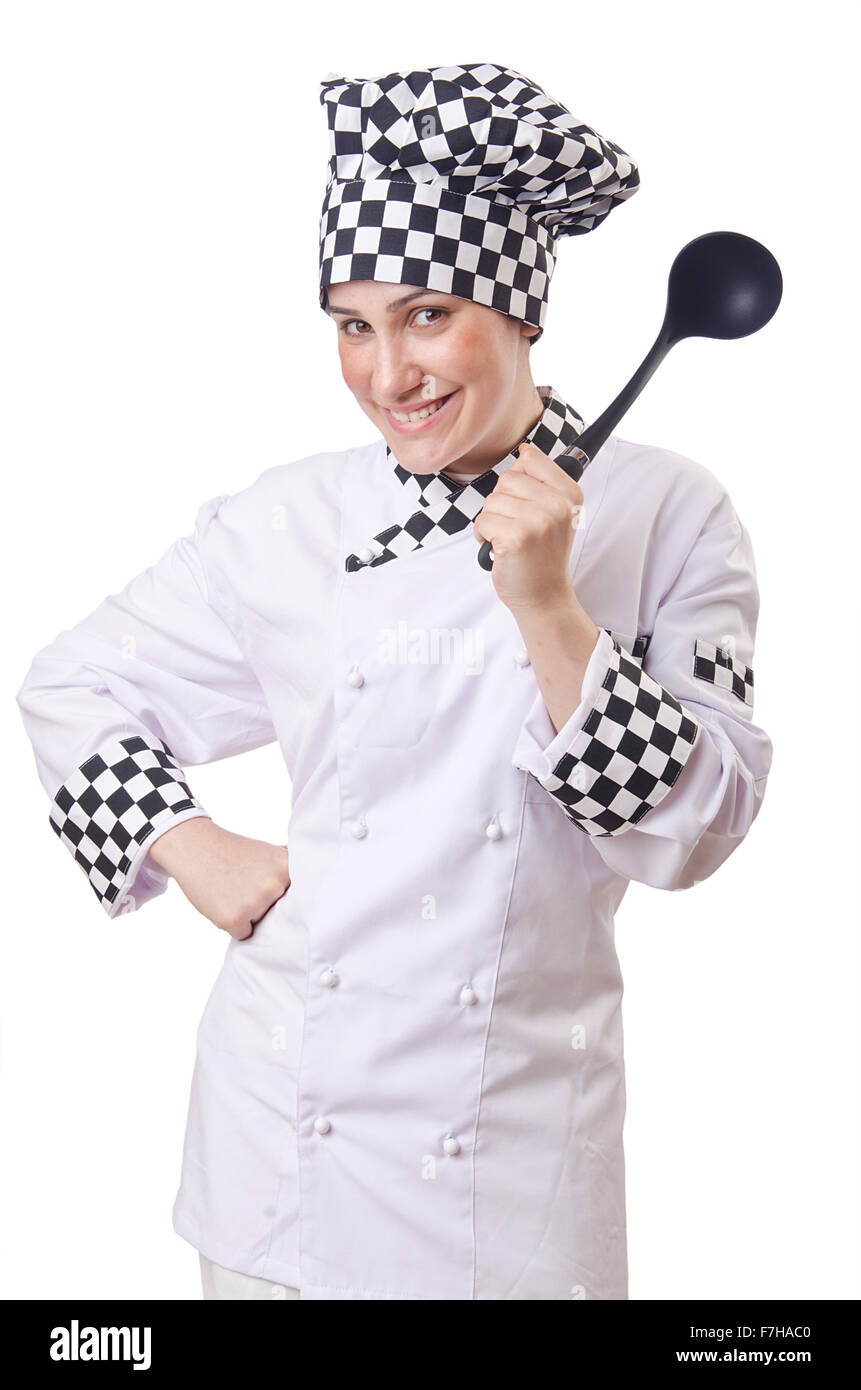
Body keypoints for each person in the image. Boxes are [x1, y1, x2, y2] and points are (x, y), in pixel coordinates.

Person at [15, 62, 773, 1301]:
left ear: (522, 311)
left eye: (428, 315)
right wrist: (186, 841)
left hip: (513, 1169)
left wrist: (547, 604)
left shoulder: (670, 512)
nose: (386, 373)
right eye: (352, 325)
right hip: (280, 1144)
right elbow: (71, 683)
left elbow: (698, 829)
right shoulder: (287, 519)